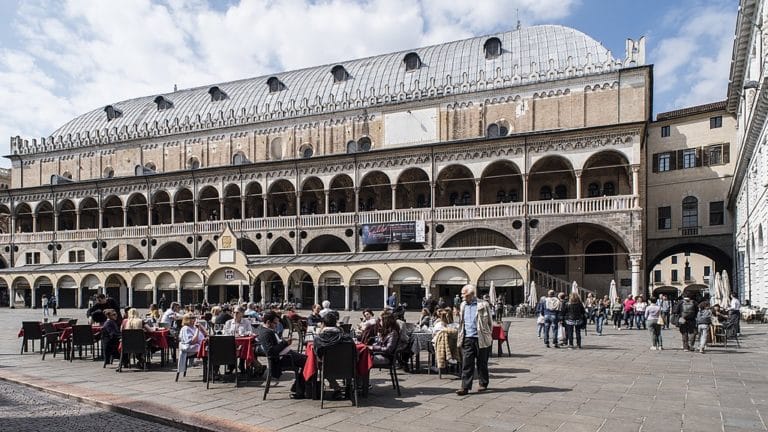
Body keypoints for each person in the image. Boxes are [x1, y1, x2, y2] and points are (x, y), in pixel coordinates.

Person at [258, 311, 307, 399]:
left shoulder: (267, 330)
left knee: (308, 359)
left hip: (286, 354)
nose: (277, 325)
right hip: (280, 360)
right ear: (268, 322)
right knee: (308, 362)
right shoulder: (266, 333)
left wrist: (284, 342)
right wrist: (285, 343)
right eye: (275, 323)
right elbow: (270, 352)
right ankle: (300, 389)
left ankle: (299, 387)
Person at [455, 284, 493, 396]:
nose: (462, 296)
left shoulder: (483, 304)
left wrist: (488, 335)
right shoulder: (463, 305)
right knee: (467, 363)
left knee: (482, 363)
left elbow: (490, 322)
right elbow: (462, 321)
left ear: (471, 294)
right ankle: (465, 387)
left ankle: (483, 383)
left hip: (481, 338)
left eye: (464, 294)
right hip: (467, 338)